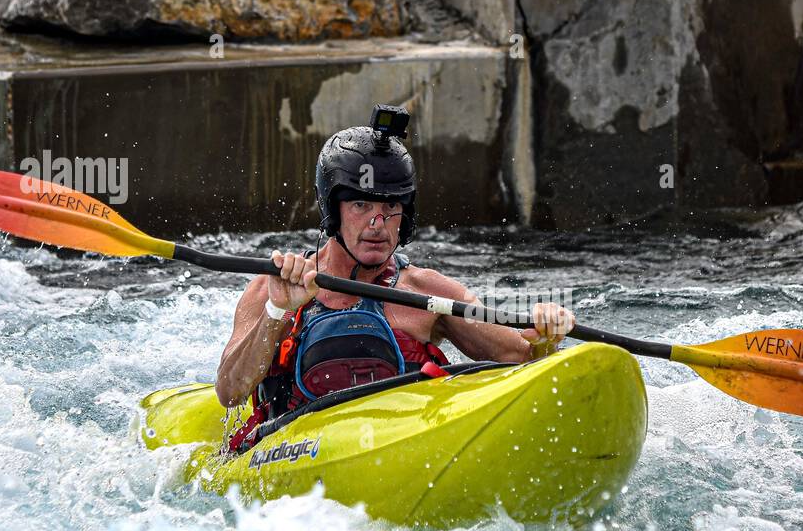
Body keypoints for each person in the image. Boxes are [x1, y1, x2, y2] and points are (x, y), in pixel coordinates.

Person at [215, 105, 575, 450]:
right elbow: (229, 392)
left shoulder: (429, 292)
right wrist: (277, 311)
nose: (378, 224)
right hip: (297, 459)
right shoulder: (272, 287)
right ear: (332, 210)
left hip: (401, 448)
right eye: (361, 205)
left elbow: (522, 360)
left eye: (391, 207)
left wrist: (546, 336)